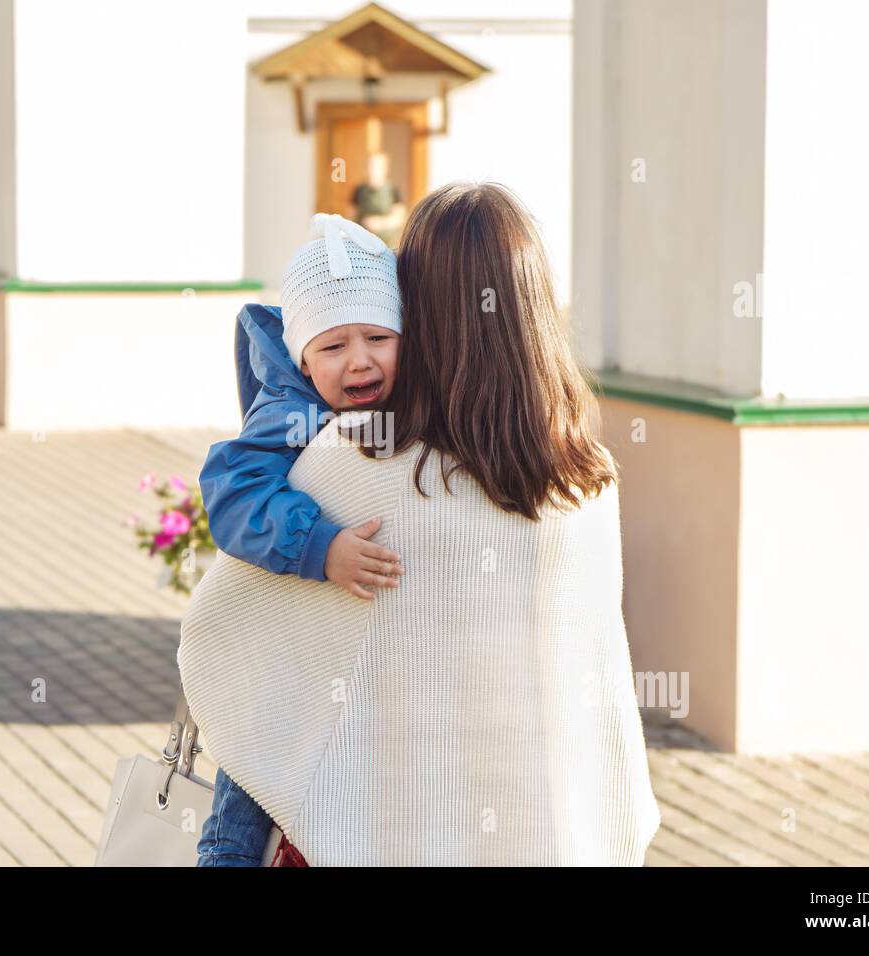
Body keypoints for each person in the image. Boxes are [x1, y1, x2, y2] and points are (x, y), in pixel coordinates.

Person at [179, 181, 662, 866]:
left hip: (383, 829)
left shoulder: (358, 462)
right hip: (549, 833)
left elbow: (234, 634)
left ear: (420, 312)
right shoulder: (590, 479)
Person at [192, 213, 406, 866]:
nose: (360, 359)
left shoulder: (401, 410)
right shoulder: (290, 410)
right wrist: (321, 545)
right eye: (333, 346)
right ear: (302, 357)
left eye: (377, 337)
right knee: (244, 804)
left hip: (340, 671)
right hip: (275, 670)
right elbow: (233, 491)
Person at [348, 152, 407, 249]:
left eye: (376, 166)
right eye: (370, 165)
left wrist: (379, 223)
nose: (372, 170)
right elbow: (350, 217)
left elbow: (399, 218)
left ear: (385, 169)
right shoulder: (359, 190)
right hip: (363, 245)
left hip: (387, 245)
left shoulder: (392, 190)